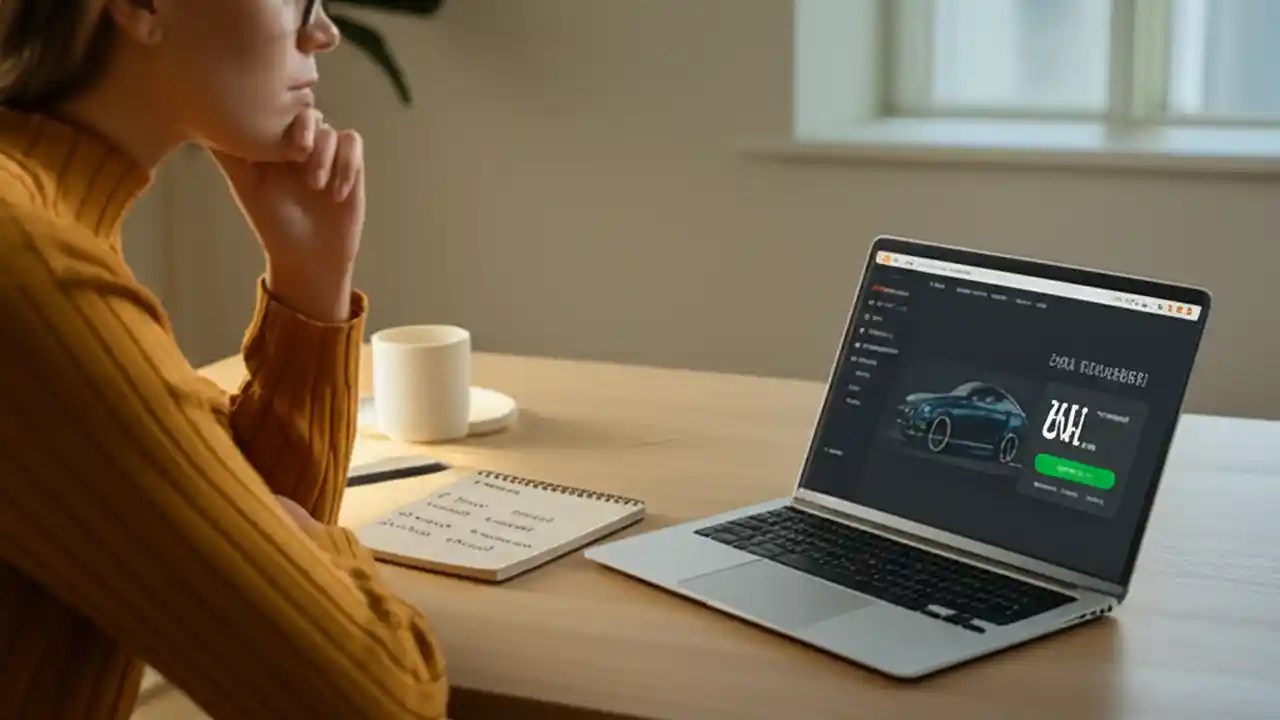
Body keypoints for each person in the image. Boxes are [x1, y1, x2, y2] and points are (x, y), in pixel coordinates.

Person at [0, 1, 449, 717]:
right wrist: (320, 548)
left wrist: (310, 282)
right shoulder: (28, 265)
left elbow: (241, 561)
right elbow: (380, 702)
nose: (323, 31)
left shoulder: (48, 223)